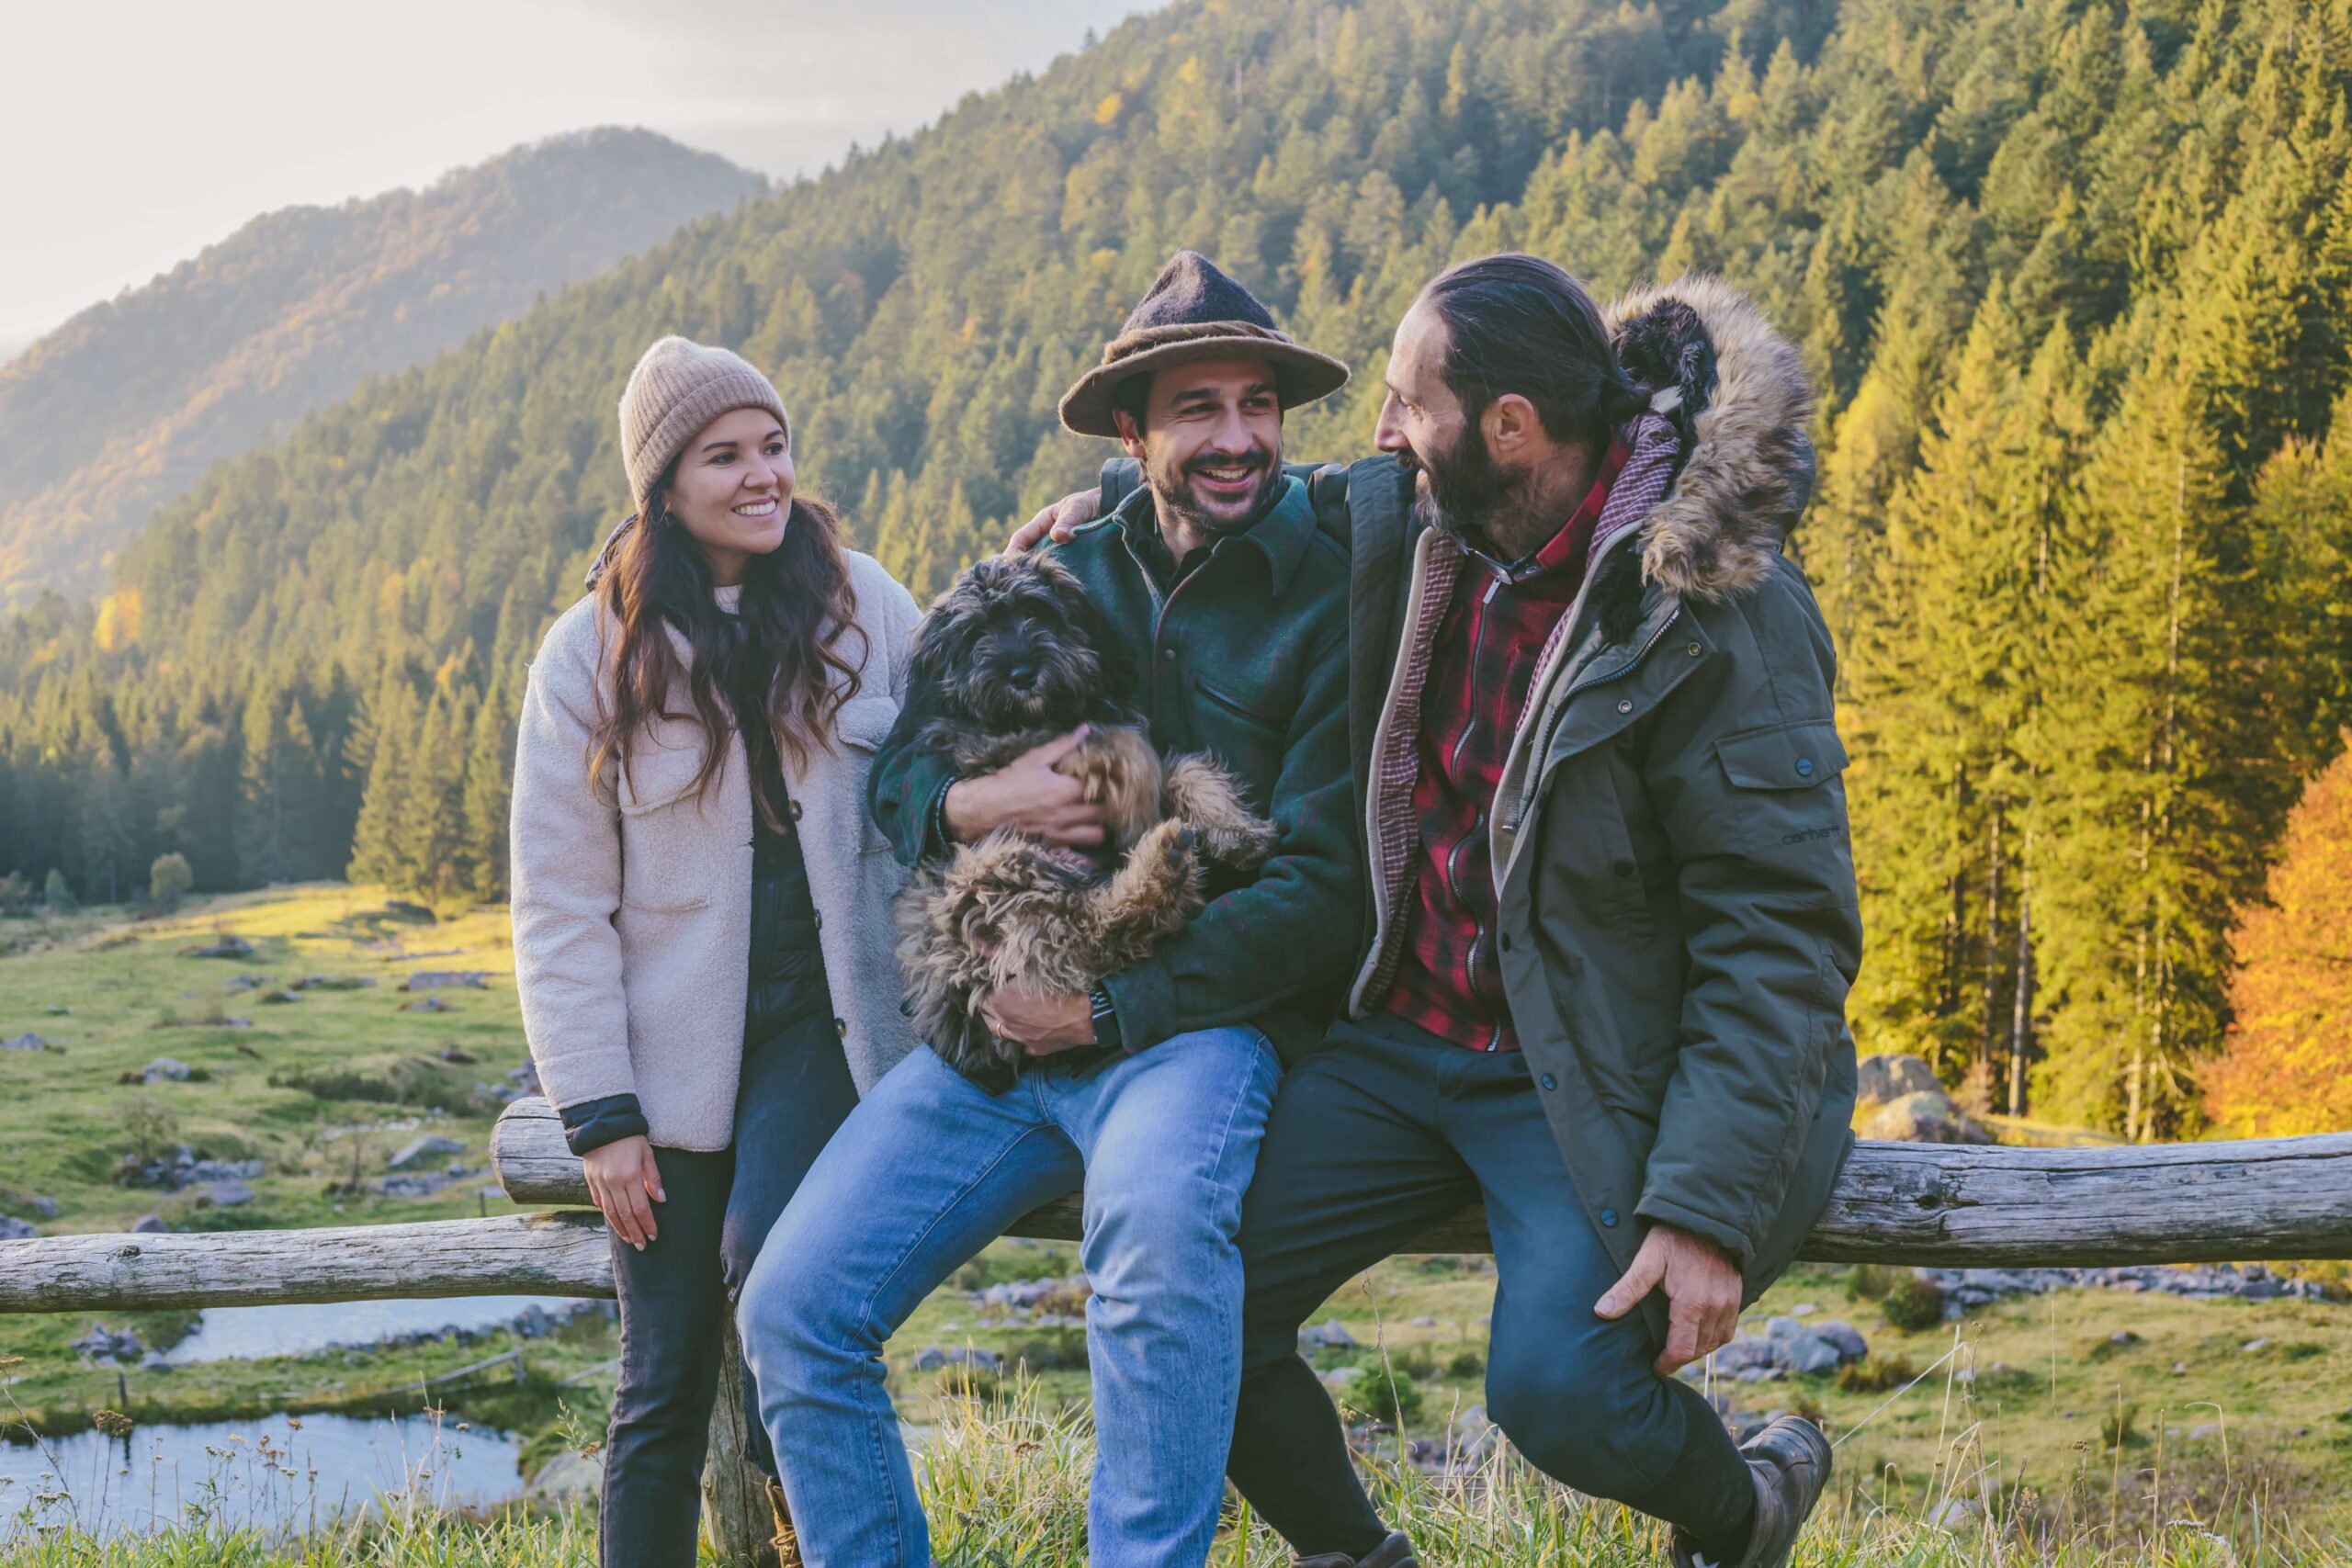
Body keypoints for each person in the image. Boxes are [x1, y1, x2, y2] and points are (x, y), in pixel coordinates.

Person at [1019, 257, 1860, 1568]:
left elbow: (1782, 935)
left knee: (1559, 1393)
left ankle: (1743, 1505)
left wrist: (1706, 1207)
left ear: (1511, 426)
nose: (1384, 427)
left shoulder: (1718, 614)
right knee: (1194, 1312)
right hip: (1401, 1033)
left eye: (1410, 400)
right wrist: (1106, 513)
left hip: (1579, 1064)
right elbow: (1261, 498)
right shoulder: (1423, 518)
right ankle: (1359, 1558)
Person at [736, 251, 1362, 1568]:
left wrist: (1104, 1003)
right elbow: (905, 765)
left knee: (1151, 1248)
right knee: (794, 1308)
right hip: (995, 1040)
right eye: (1198, 408)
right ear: (1133, 435)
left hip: (1193, 1027)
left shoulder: (1342, 581)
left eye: (1259, 403)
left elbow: (1323, 895)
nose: (1238, 437)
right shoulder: (1070, 558)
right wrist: (971, 806)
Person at [510, 335, 922, 1566]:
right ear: (663, 486)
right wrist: (598, 1111)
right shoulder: (589, 654)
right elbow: (557, 900)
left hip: (825, 1031)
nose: (763, 475)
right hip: (665, 1062)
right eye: (724, 454)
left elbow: (970, 734)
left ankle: (820, 1541)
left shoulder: (867, 602)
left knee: (773, 1285)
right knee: (660, 1382)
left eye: (774, 446)